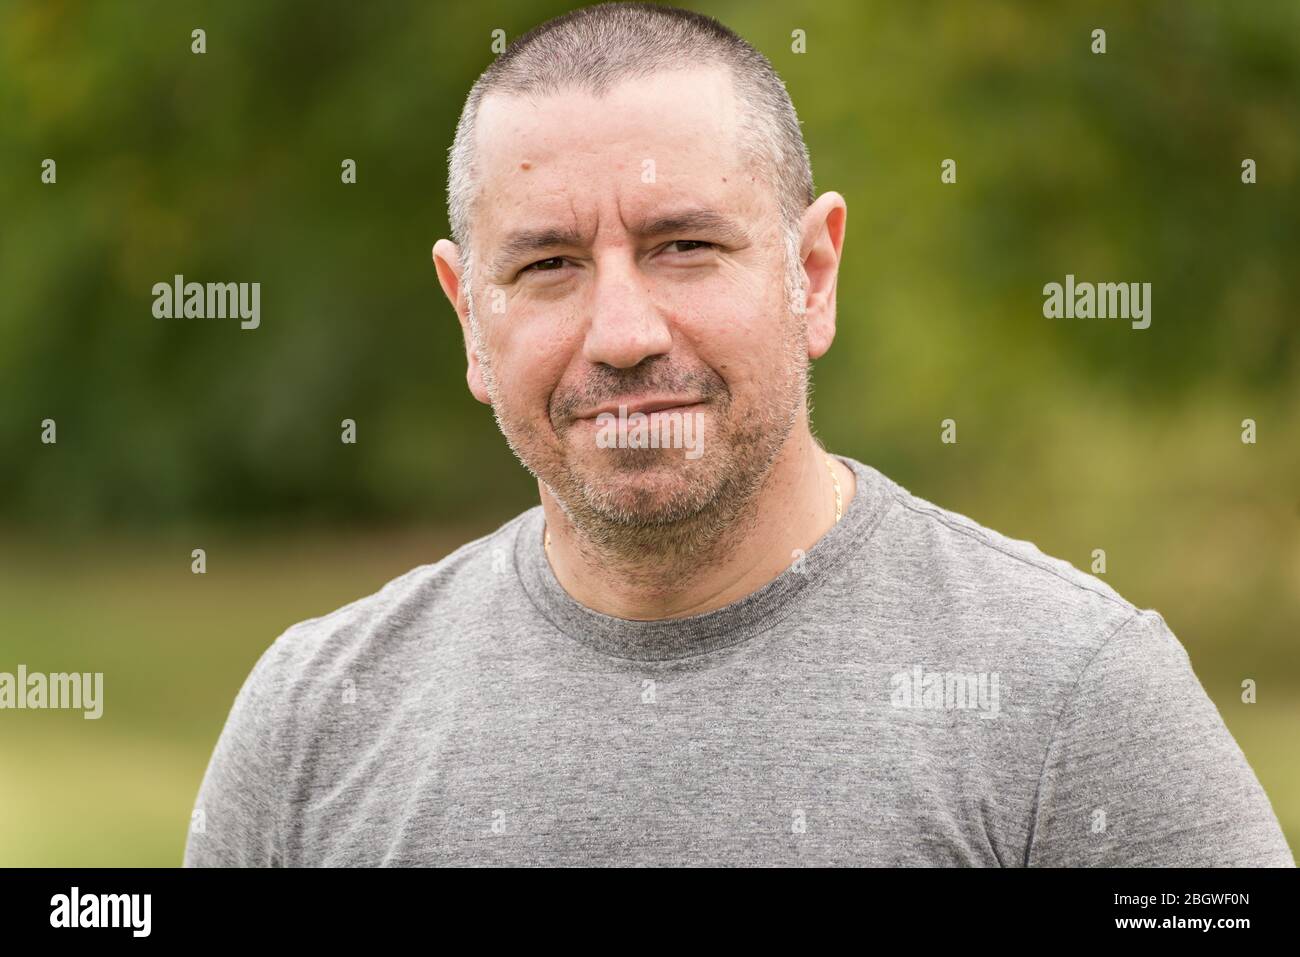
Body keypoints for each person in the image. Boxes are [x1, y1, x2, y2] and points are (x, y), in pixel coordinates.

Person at [184, 2, 1294, 867]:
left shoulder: (1073, 694)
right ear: (469, 314)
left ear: (811, 275)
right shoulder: (316, 717)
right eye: (547, 266)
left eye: (684, 247)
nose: (621, 333)